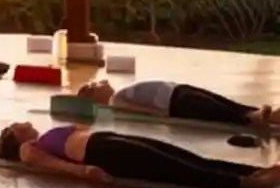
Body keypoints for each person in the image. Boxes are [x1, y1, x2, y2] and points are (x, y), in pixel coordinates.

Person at [0, 122, 280, 188]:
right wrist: (84, 172)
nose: (21, 122)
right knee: (175, 168)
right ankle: (245, 184)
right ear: (12, 137)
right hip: (103, 154)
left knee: (184, 156)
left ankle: (255, 172)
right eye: (15, 125)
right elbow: (49, 164)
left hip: (108, 140)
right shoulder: (27, 148)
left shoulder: (47, 134)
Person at [76, 79, 277, 130]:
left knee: (226, 104)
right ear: (96, 97)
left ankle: (260, 114)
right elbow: (140, 111)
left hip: (179, 90)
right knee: (217, 110)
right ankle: (252, 118)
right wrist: (164, 117)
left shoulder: (121, 92)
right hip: (175, 102)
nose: (101, 82)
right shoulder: (116, 100)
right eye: (96, 86)